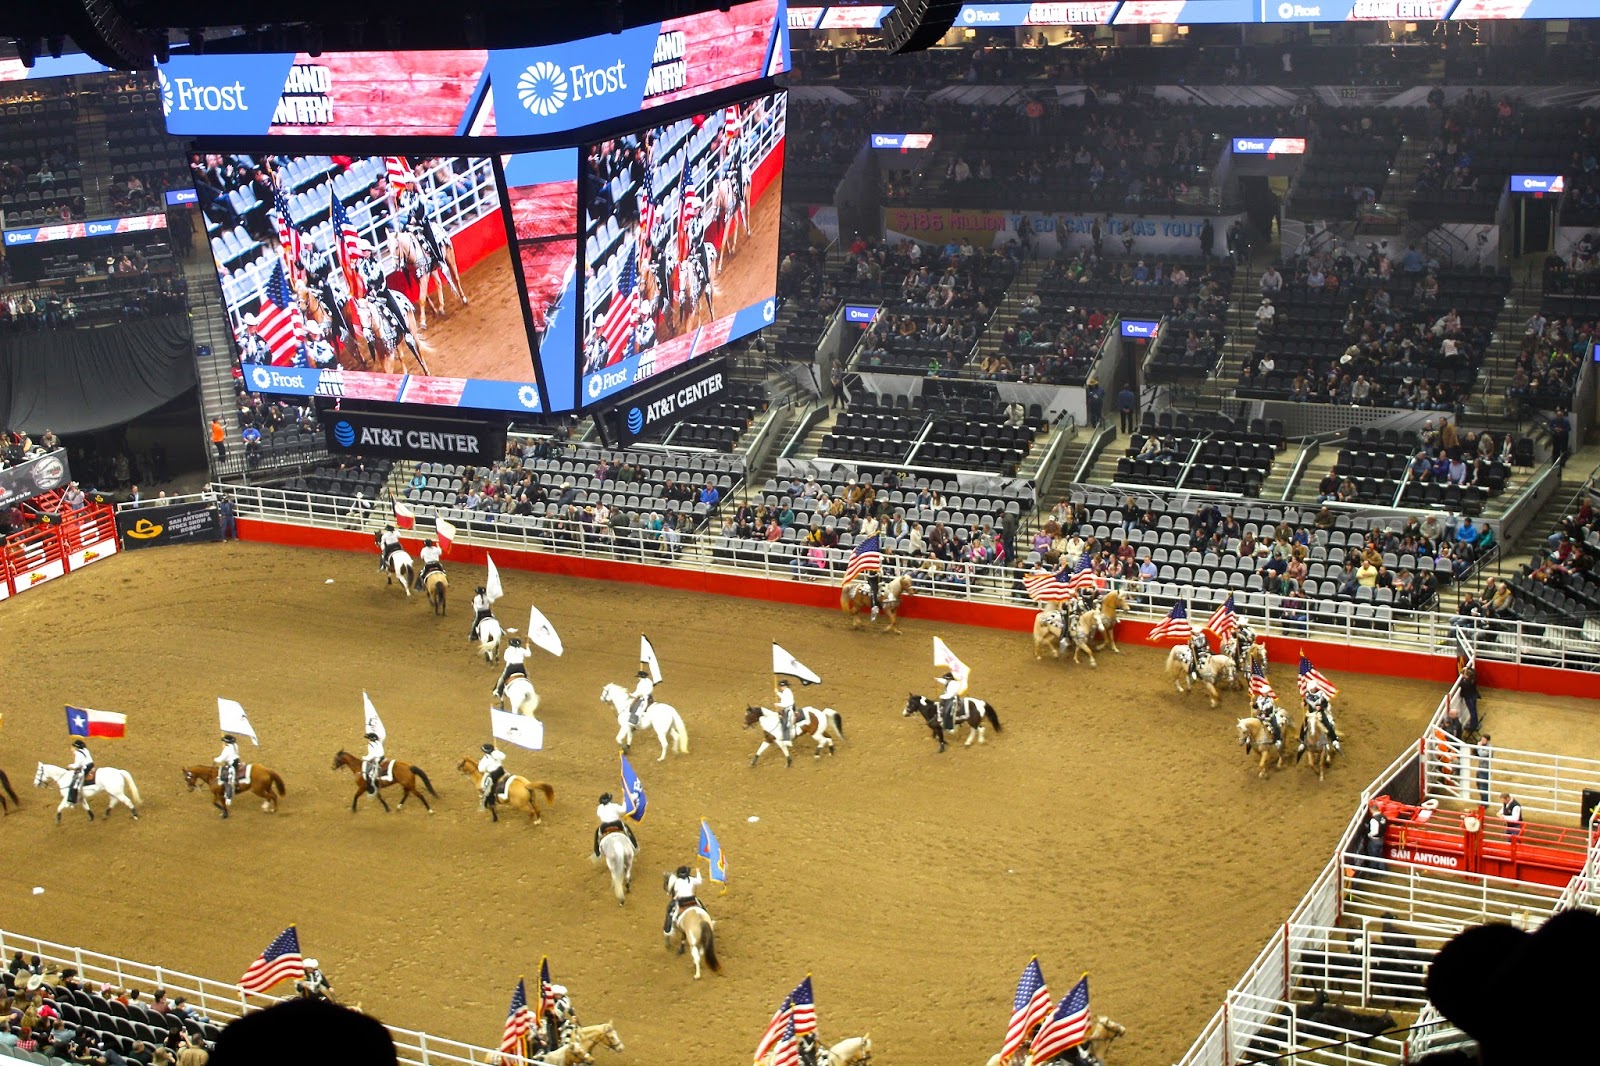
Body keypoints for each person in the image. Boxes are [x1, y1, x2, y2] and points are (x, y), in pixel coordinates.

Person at [1300, 683, 1341, 754]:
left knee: (1328, 725)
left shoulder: (1321, 694)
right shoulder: (1307, 694)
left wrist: (1321, 707)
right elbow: (1306, 701)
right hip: (1310, 714)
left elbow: (1325, 703)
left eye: (1312, 689)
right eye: (1310, 689)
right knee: (1303, 726)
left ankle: (1334, 740)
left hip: (1320, 713)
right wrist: (1304, 703)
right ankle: (1302, 742)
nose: (1311, 690)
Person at [593, 792, 639, 856]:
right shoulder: (614, 806)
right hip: (617, 823)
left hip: (604, 825)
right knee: (627, 830)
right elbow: (623, 810)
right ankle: (635, 846)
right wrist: (625, 801)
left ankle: (597, 852)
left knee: (597, 835)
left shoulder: (600, 808)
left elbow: (598, 814)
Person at [663, 865, 703, 936]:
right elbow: (699, 881)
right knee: (701, 905)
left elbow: (676, 891)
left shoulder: (677, 882)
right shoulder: (691, 879)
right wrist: (698, 872)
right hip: (692, 900)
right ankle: (710, 919)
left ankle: (669, 929)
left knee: (670, 910)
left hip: (682, 901)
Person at [494, 638, 531, 702]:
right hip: (520, 667)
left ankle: (499, 692)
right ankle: (529, 691)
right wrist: (527, 647)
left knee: (503, 678)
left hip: (511, 667)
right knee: (526, 677)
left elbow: (505, 658)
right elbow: (529, 654)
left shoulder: (508, 650)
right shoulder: (521, 649)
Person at [477, 743, 507, 811]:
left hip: (494, 774)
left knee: (487, 787)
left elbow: (481, 769)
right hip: (501, 770)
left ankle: (491, 802)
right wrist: (497, 751)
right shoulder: (496, 753)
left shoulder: (485, 759)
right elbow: (504, 756)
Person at [214, 734, 242, 806]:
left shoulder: (227, 749)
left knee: (227, 780)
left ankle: (228, 797)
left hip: (231, 764)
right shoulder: (235, 745)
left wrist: (215, 759)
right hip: (237, 762)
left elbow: (221, 759)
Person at [67, 739, 94, 806]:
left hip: (86, 767)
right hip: (91, 765)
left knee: (76, 781)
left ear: (76, 747)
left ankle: (74, 796)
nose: (71, 748)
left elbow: (77, 765)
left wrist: (70, 766)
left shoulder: (78, 754)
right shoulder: (85, 750)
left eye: (73, 747)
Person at [1458, 663, 1480, 733]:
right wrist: (1467, 668)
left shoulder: (1465, 683)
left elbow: (1460, 684)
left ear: (1467, 676)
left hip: (1469, 698)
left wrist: (1465, 670)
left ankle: (1473, 726)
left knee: (1472, 712)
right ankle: (1475, 724)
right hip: (1474, 696)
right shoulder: (1473, 678)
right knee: (1474, 710)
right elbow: (1473, 671)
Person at [1475, 734, 1492, 805]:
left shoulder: (1489, 748)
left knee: (1483, 786)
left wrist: (1478, 746)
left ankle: (1485, 802)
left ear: (1487, 741)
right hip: (1480, 768)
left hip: (1485, 769)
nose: (1482, 741)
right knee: (1479, 784)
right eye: (1482, 739)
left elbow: (1481, 754)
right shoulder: (1482, 746)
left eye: (1484, 740)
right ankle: (1483, 800)